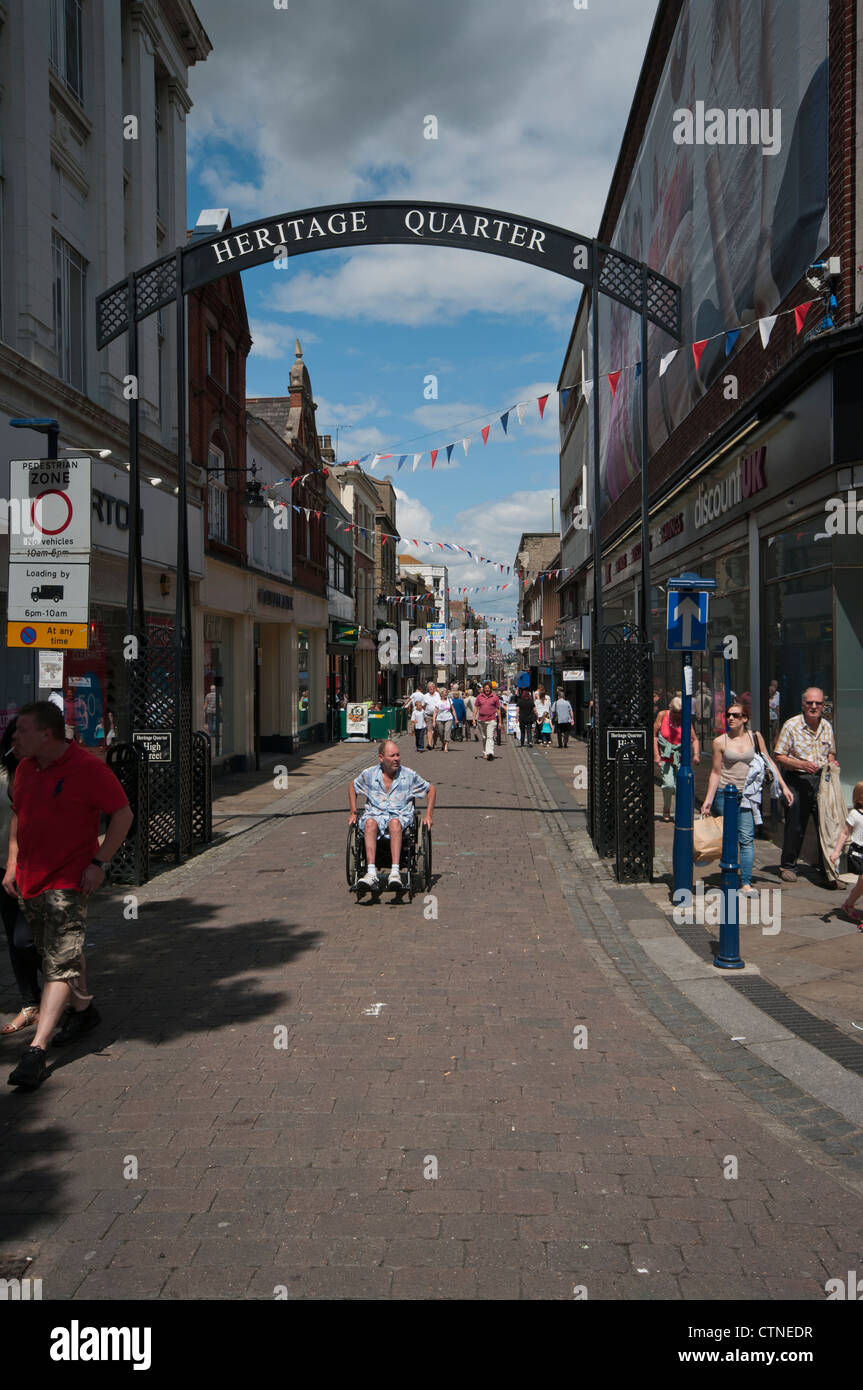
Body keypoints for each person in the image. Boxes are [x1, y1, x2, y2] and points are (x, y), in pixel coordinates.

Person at [3, 702, 134, 1090]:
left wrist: (99, 862)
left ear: (47, 734)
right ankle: (83, 1009)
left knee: (58, 959)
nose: (14, 737)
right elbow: (18, 815)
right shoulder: (25, 768)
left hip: (68, 880)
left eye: (22, 731)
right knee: (51, 950)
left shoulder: (89, 769)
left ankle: (37, 1049)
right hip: (29, 879)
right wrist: (12, 863)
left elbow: (123, 815)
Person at [701, 701, 792, 895]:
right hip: (724, 794)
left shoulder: (755, 737)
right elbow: (716, 773)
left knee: (746, 838)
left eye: (735, 715)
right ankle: (729, 876)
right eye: (728, 715)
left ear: (745, 718)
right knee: (730, 838)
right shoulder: (720, 742)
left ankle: (746, 882)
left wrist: (783, 786)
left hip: (748, 795)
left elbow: (769, 762)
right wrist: (708, 800)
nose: (731, 718)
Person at [773, 687, 839, 887]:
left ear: (823, 705)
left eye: (818, 703)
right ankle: (788, 866)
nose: (814, 706)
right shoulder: (791, 725)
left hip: (822, 781)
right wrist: (801, 764)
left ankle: (827, 871)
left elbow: (831, 752)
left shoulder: (827, 726)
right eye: (810, 703)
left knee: (826, 826)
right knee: (796, 824)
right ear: (803, 704)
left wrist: (831, 762)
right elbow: (778, 755)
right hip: (797, 778)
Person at [349, 739, 436, 890]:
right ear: (381, 758)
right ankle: (370, 873)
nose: (397, 758)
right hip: (375, 814)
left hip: (400, 815)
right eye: (392, 756)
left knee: (395, 823)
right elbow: (352, 786)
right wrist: (353, 811)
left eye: (398, 755)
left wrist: (428, 815)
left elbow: (431, 789)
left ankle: (395, 872)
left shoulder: (408, 775)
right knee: (369, 823)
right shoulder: (369, 774)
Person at [0, 720, 41, 1036]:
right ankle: (31, 1003)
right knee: (17, 939)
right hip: (4, 868)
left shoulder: (44, 773)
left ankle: (72, 998)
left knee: (33, 939)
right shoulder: (3, 775)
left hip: (42, 868)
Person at [653, 697, 700, 821]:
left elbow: (694, 739)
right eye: (675, 712)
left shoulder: (685, 719)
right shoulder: (662, 715)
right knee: (668, 785)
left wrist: (696, 754)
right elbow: (654, 736)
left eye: (680, 713)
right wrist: (656, 755)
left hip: (680, 758)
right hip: (665, 757)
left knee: (681, 787)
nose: (677, 715)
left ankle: (679, 811)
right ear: (670, 708)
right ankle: (666, 808)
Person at [830, 780, 863, 925]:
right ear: (859, 798)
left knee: (861, 885)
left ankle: (848, 905)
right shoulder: (855, 814)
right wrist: (837, 851)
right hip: (858, 853)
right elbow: (844, 833)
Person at [473, 681, 502, 761]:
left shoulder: (495, 697)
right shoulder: (479, 697)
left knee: (490, 737)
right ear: (483, 689)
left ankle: (490, 753)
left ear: (491, 689)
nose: (487, 690)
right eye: (485, 688)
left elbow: (498, 710)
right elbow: (476, 708)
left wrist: (500, 722)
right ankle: (486, 752)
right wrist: (473, 719)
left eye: (488, 689)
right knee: (484, 737)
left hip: (491, 720)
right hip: (481, 720)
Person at [423, 680, 442, 749]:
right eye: (430, 687)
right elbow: (423, 706)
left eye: (432, 687)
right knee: (429, 729)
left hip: (437, 716)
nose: (431, 688)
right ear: (428, 688)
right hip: (428, 715)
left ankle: (435, 743)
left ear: (434, 688)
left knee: (436, 731)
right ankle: (429, 744)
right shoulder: (425, 696)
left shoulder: (438, 695)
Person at [435, 688, 454, 752]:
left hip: (449, 718)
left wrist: (456, 718)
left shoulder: (449, 700)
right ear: (441, 694)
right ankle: (443, 743)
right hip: (439, 719)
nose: (446, 694)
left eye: (446, 692)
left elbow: (453, 710)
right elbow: (435, 711)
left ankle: (446, 746)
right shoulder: (438, 701)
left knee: (447, 731)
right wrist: (433, 721)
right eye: (445, 692)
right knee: (441, 733)